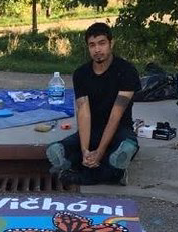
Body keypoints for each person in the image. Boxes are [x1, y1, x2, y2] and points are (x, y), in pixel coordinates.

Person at [47, 22, 140, 186]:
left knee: (125, 149)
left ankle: (100, 171)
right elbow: (83, 113)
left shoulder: (127, 71)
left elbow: (115, 116)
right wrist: (85, 150)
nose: (97, 49)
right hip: (91, 131)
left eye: (102, 43)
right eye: (92, 45)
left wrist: (100, 151)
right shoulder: (81, 74)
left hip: (119, 130)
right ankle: (102, 170)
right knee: (55, 151)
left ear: (111, 43)